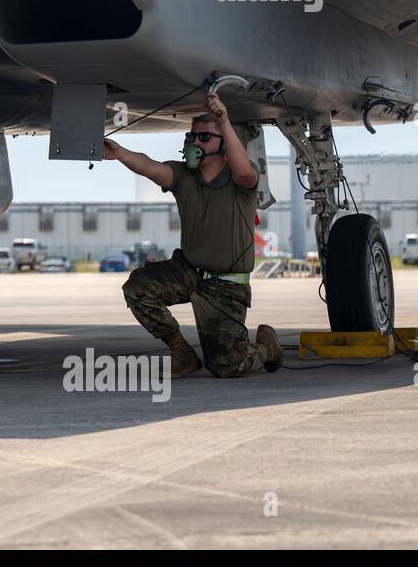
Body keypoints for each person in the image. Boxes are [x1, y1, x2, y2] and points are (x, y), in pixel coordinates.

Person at [103, 93, 283, 378]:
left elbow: (245, 173)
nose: (193, 143)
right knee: (138, 289)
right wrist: (120, 153)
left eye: (203, 137)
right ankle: (181, 354)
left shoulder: (240, 181)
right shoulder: (184, 176)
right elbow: (152, 168)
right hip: (189, 272)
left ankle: (267, 349)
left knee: (227, 367)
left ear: (224, 145)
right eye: (191, 136)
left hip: (225, 285)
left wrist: (224, 120)